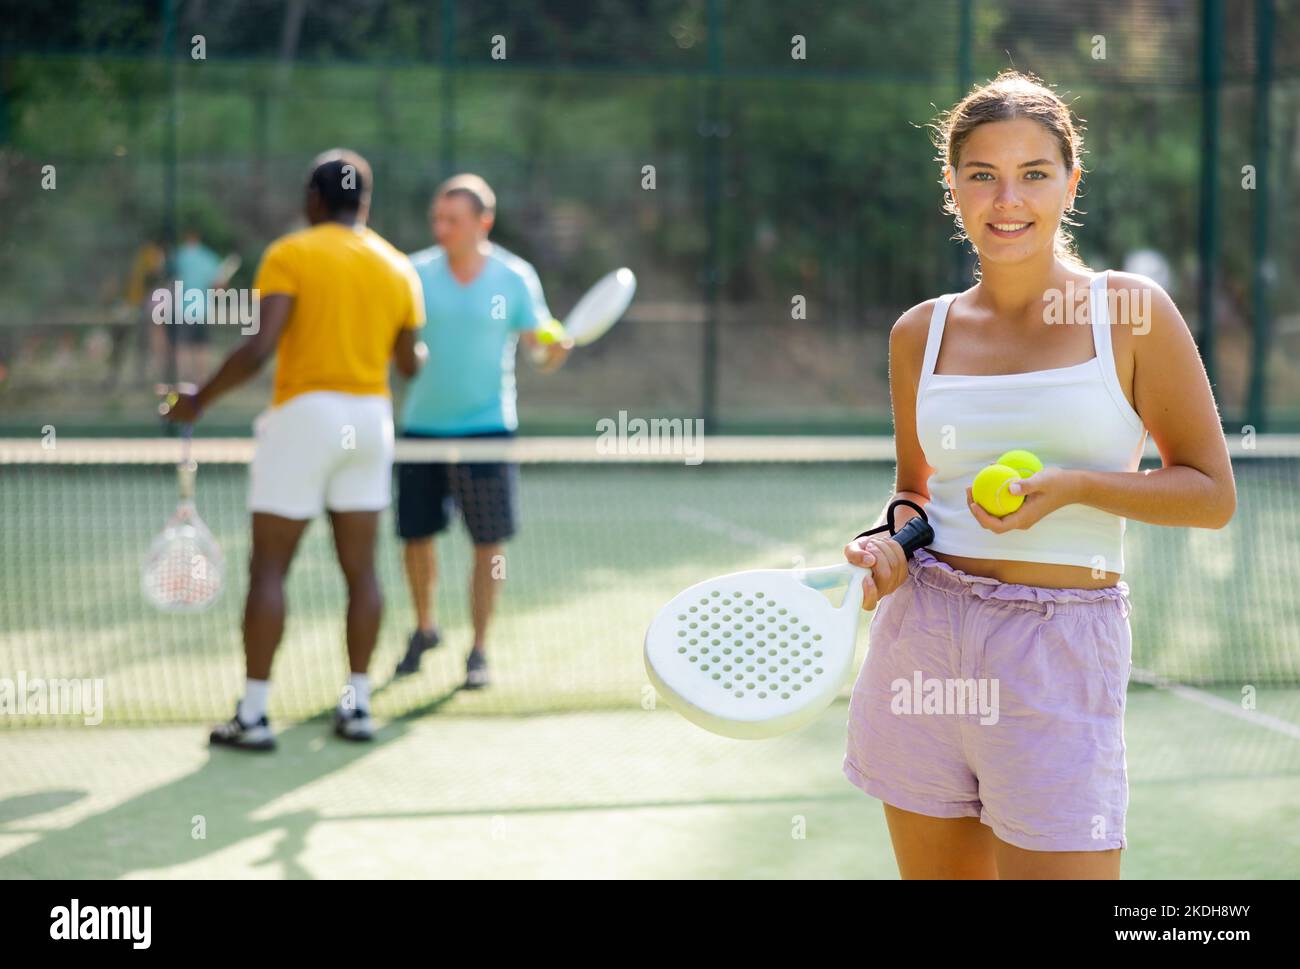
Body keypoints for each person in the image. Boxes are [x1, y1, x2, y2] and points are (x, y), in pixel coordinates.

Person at [841, 72, 1236, 879]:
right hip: (923, 640)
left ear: (1071, 183)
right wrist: (888, 542)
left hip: (1059, 648)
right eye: (982, 175)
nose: (1006, 198)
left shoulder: (1130, 313)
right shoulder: (920, 332)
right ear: (952, 188)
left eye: (1034, 173)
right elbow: (915, 489)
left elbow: (1210, 493)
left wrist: (1078, 486)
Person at [163, 149, 426, 750]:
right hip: (370, 420)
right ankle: (358, 706)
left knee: (271, 567)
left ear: (312, 199)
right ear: (366, 202)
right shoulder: (397, 266)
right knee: (362, 571)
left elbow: (261, 348)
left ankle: (254, 716)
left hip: (306, 417)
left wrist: (197, 401)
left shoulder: (291, 253)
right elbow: (409, 362)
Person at [393, 174, 570, 689]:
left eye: (453, 219)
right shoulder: (414, 273)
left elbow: (541, 351)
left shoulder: (515, 277)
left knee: (488, 546)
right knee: (415, 537)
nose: (441, 228)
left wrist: (553, 353)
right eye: (437, 219)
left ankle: (478, 649)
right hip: (421, 431)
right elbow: (394, 344)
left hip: (489, 430)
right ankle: (425, 627)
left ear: (483, 223)